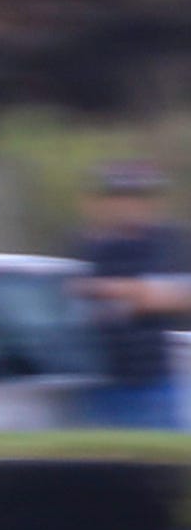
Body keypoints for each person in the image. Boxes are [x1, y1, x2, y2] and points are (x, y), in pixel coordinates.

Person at [66, 161, 191, 428]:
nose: (129, 206)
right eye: (119, 196)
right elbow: (71, 296)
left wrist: (107, 290)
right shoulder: (84, 246)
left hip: (152, 382)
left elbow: (177, 297)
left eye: (138, 197)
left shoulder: (166, 242)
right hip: (99, 384)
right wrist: (137, 293)